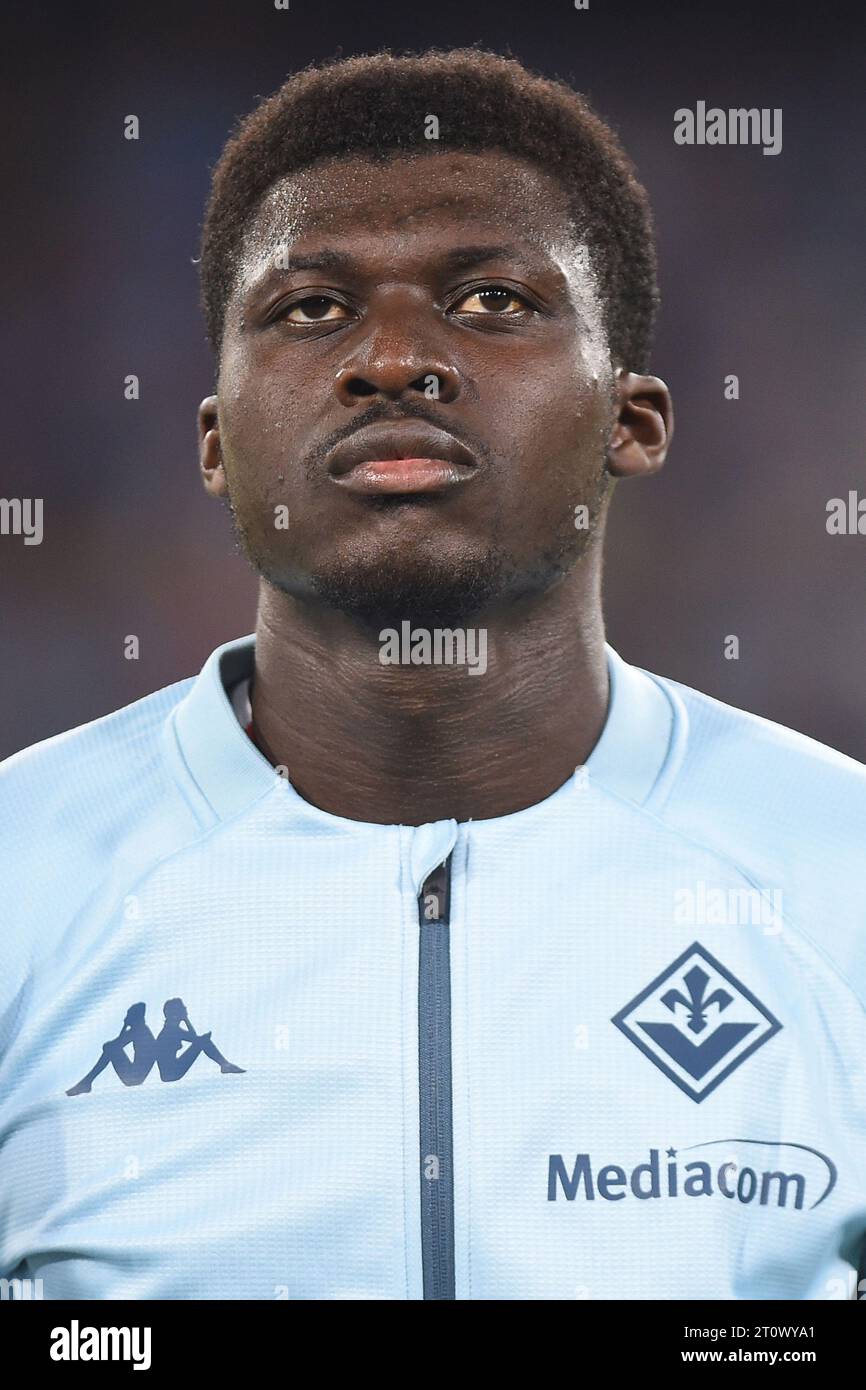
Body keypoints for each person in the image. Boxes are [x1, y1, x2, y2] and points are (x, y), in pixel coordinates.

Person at [1, 49, 864, 1301]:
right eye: (310, 309)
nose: (394, 360)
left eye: (492, 302)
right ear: (213, 441)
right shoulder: (22, 877)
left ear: (633, 420)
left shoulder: (838, 872)